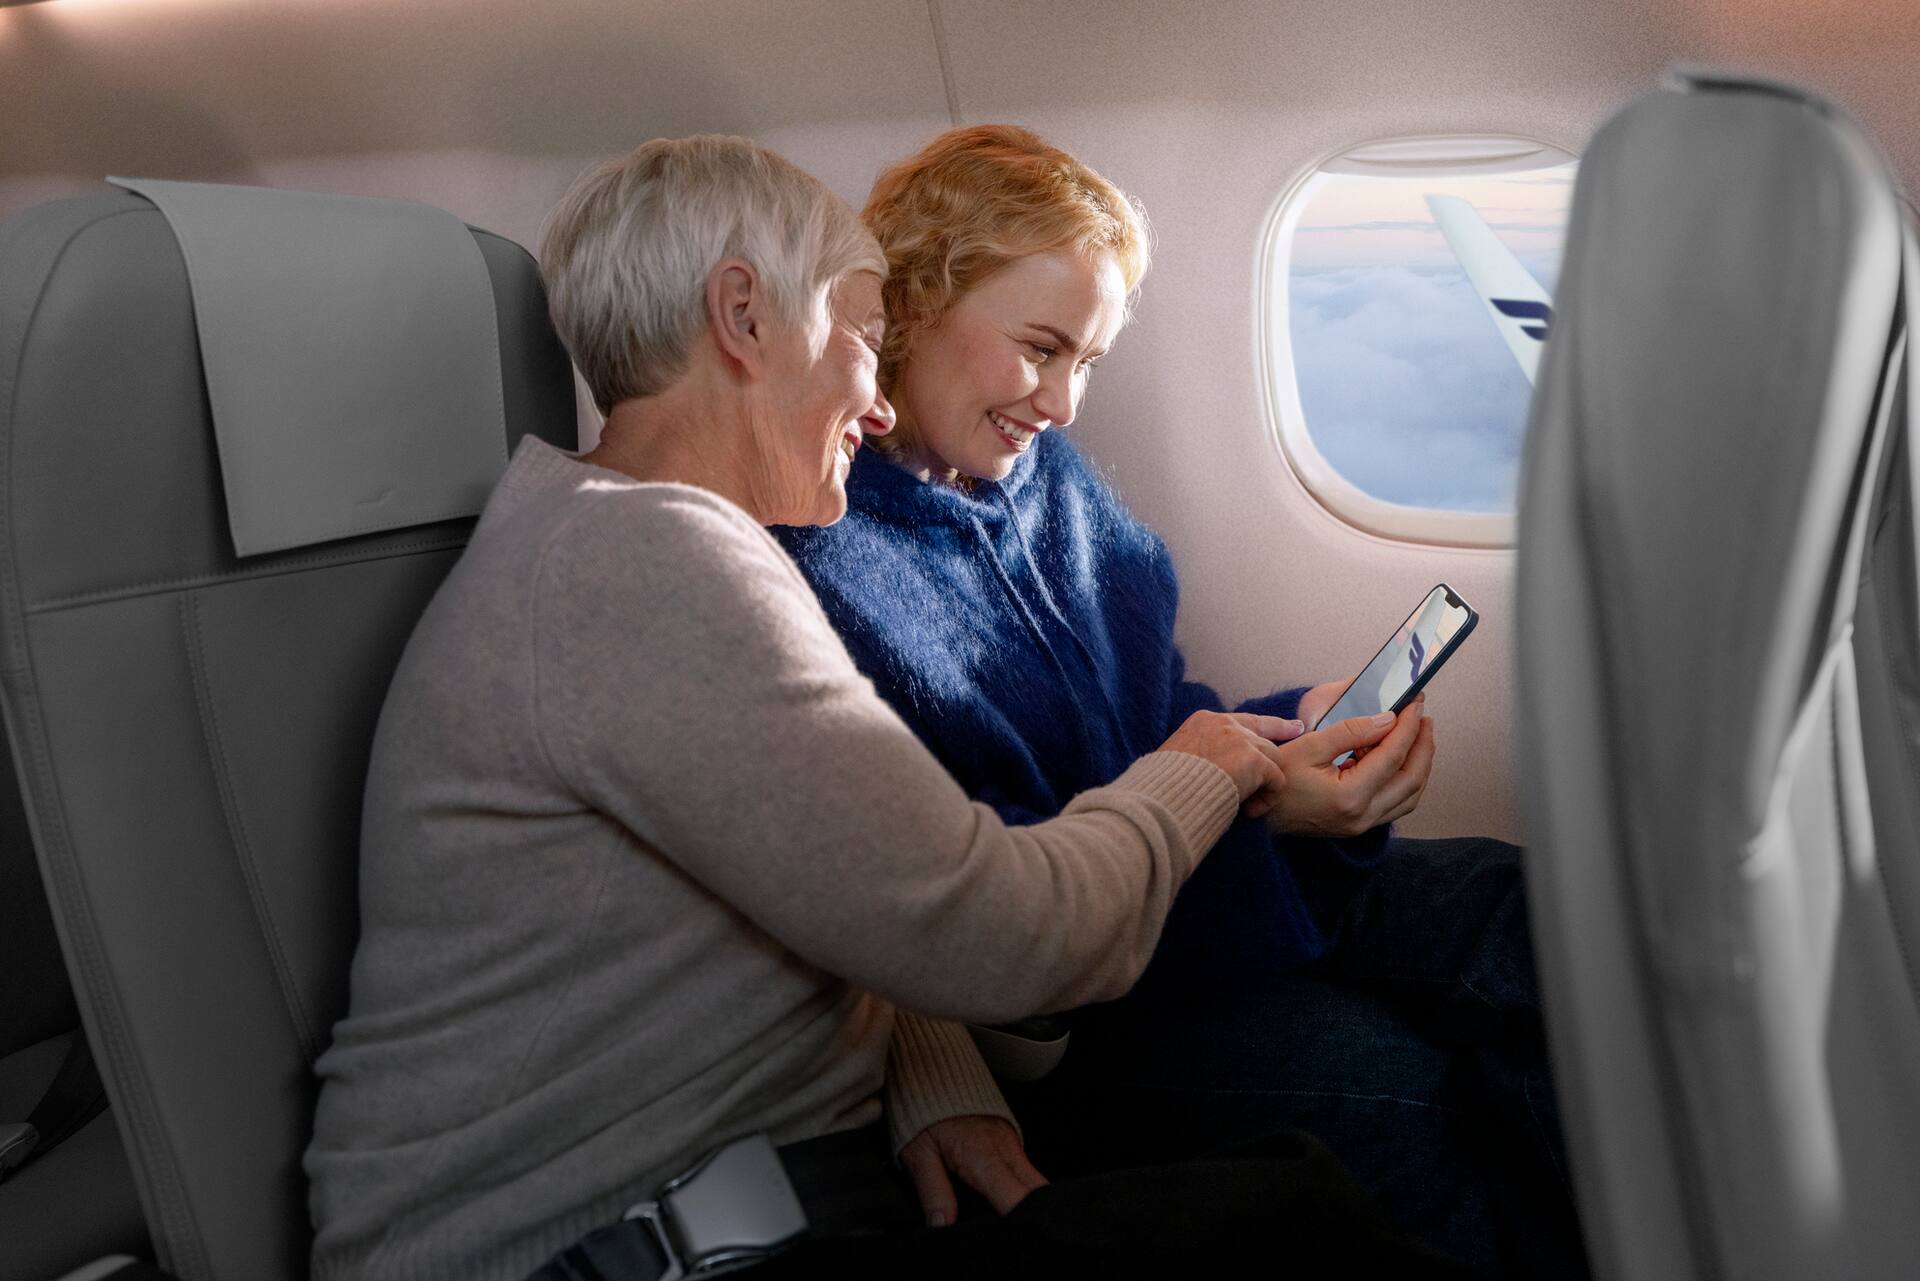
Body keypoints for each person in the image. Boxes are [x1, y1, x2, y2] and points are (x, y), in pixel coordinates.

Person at [302, 135, 1469, 1281]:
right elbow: (998, 932)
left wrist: (922, 1066)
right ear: (745, 319)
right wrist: (1212, 766)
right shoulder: (642, 570)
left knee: (1297, 1200)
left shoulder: (650, 541)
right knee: (1301, 1220)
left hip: (749, 1192)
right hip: (598, 1245)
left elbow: (837, 864)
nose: (874, 394)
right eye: (863, 336)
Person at [775, 124, 1588, 1280]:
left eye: (1090, 359)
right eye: (1041, 348)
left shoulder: (1043, 480)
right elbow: (962, 903)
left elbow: (1151, 719)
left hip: (1211, 887)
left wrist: (1283, 735)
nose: (1063, 401)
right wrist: (1265, 814)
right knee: (1407, 1091)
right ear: (911, 304)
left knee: (1540, 916)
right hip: (1078, 1009)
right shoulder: (822, 548)